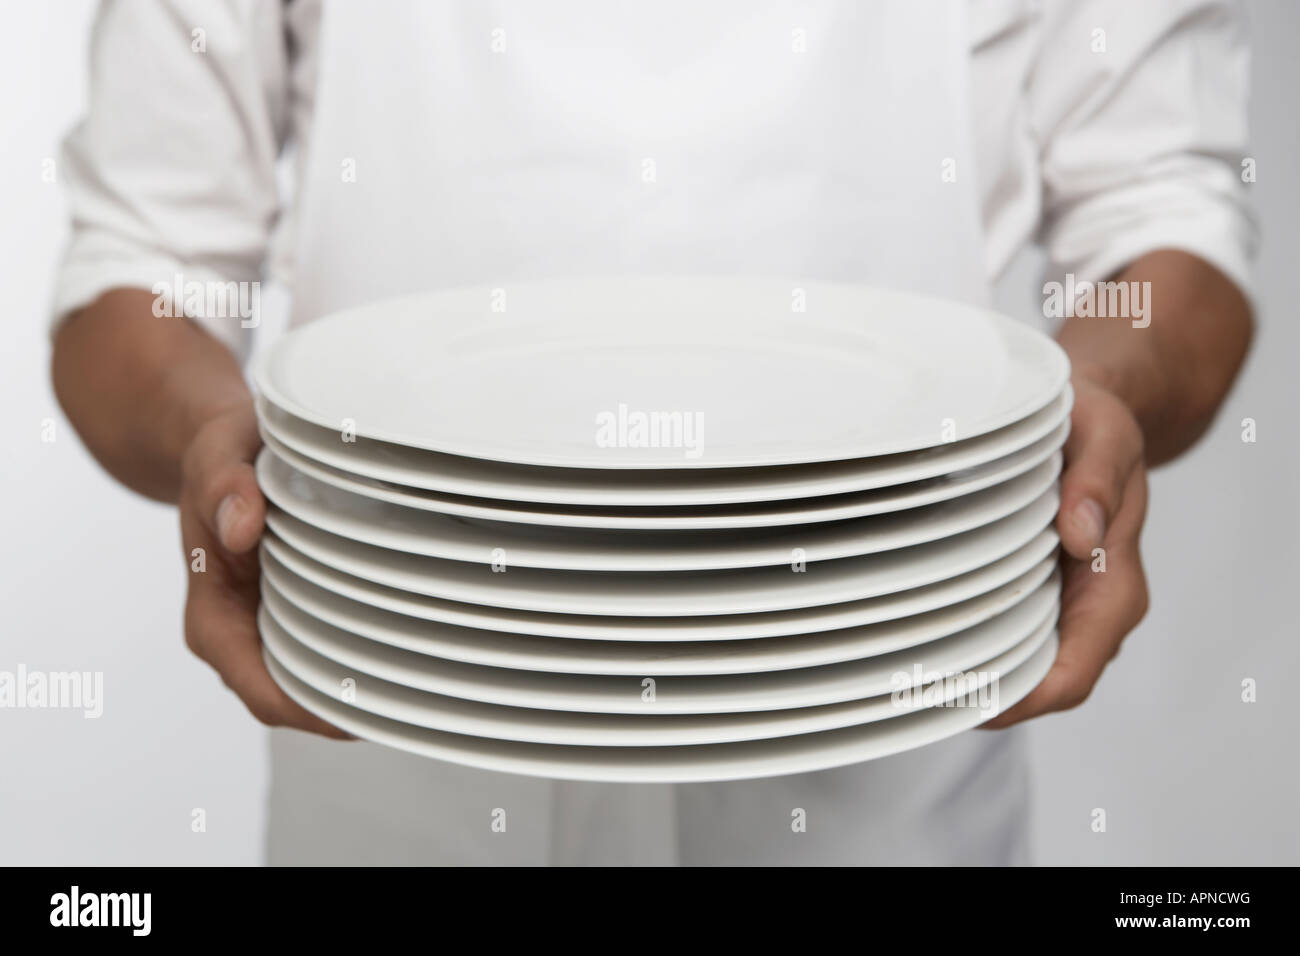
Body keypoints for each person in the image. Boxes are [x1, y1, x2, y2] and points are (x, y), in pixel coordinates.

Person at [50, 0, 1254, 865]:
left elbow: (1164, 219)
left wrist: (1104, 392)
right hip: (390, 762)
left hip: (896, 776)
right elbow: (139, 271)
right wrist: (209, 429)